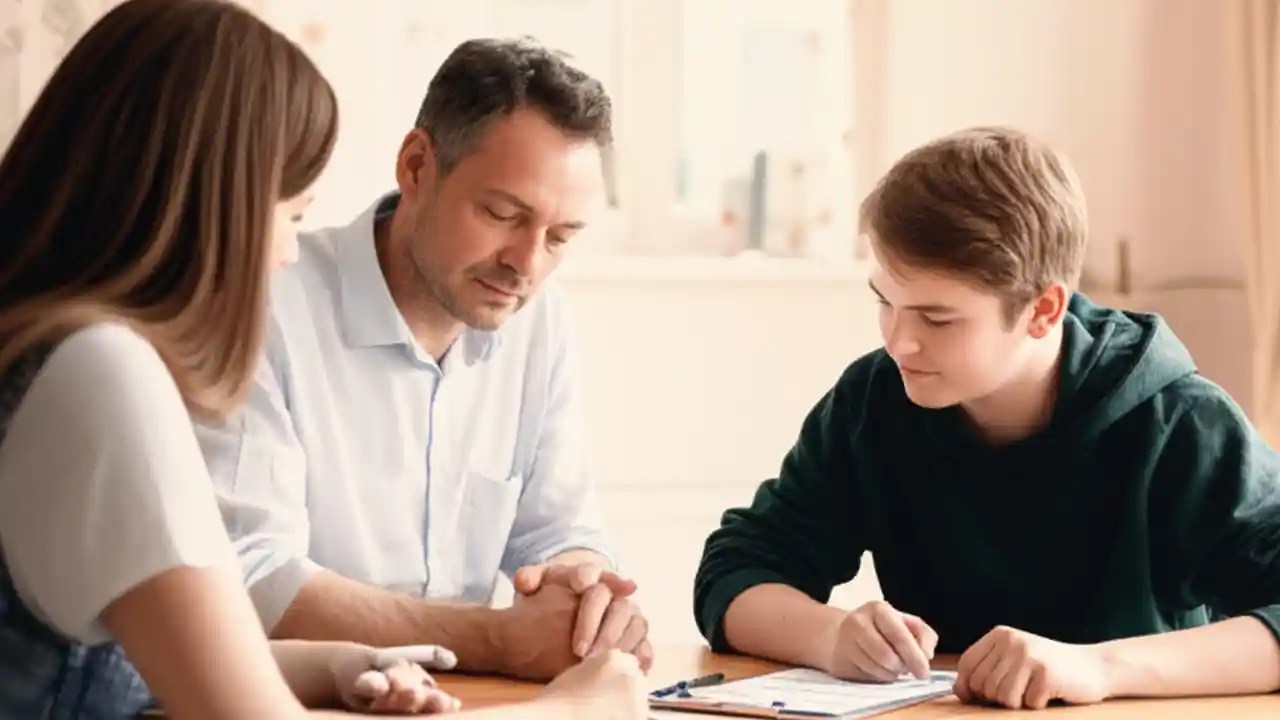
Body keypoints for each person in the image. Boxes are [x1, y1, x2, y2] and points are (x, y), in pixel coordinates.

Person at [0, 1, 647, 717]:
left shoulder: (56, 355)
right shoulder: (103, 376)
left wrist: (341, 662)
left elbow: (153, 652)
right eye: (291, 213)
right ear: (203, 201)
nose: (284, 251)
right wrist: (581, 710)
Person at [693, 127, 1280, 710]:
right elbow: (737, 569)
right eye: (885, 303)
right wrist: (827, 634)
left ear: (1042, 310)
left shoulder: (1180, 423)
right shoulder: (873, 401)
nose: (900, 343)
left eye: (937, 319)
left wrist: (1097, 666)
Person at [194, 37, 651, 681]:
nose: (527, 264)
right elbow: (252, 577)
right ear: (415, 167)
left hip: (468, 701)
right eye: (501, 214)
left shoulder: (538, 321)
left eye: (560, 236)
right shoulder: (266, 303)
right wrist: (499, 639)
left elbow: (558, 530)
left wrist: (586, 598)